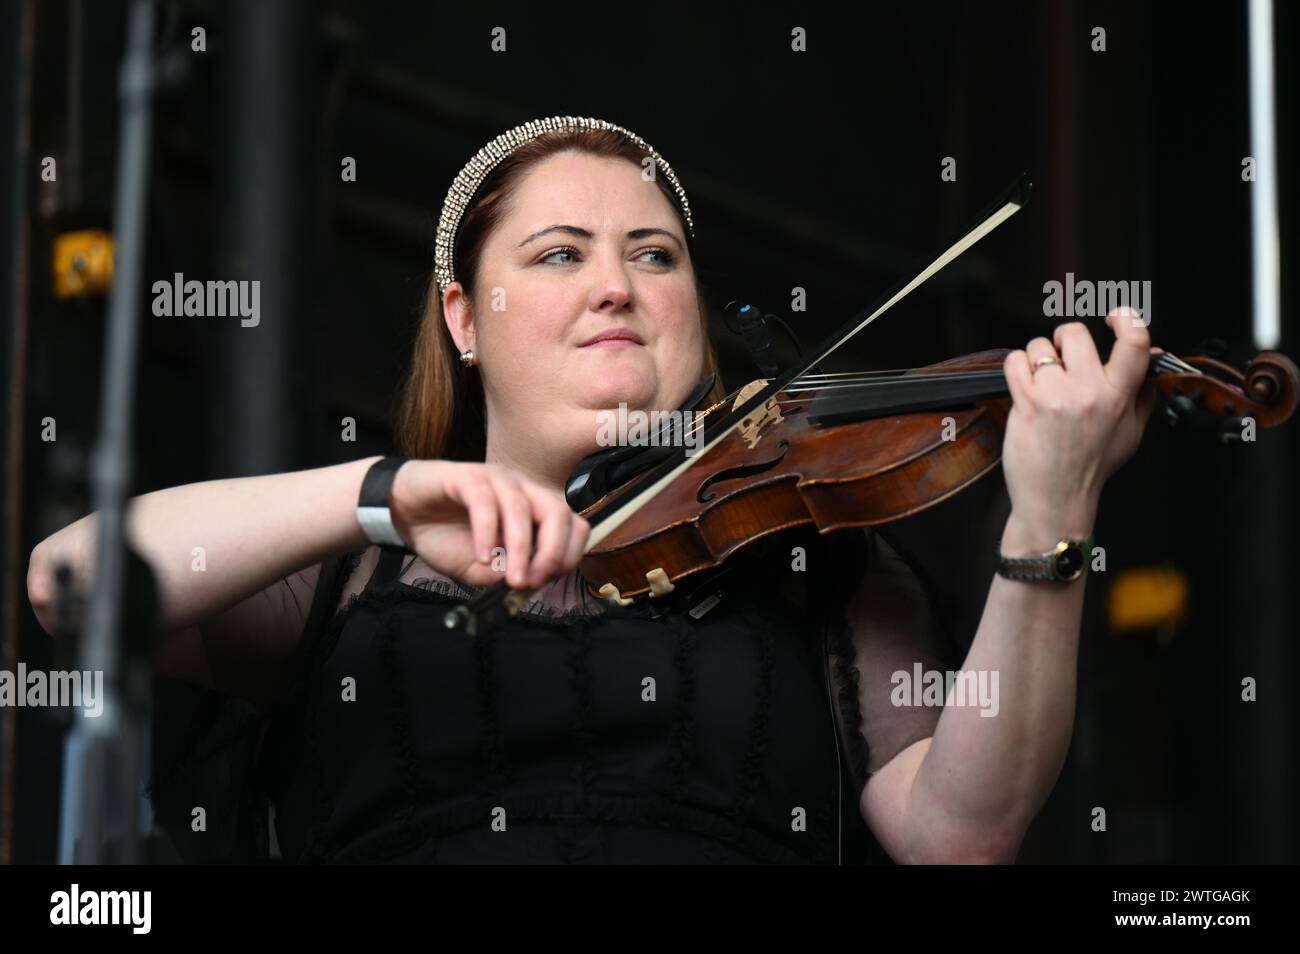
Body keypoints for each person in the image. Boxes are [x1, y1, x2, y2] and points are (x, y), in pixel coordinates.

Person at [28, 116, 1156, 864]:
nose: (616, 285)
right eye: (560, 254)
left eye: (655, 255)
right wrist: (380, 491)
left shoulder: (814, 555)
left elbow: (961, 838)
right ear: (467, 318)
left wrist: (1051, 513)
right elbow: (68, 587)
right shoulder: (352, 563)